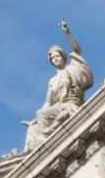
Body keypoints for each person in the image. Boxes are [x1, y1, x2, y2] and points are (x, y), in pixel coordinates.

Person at [23, 19, 93, 151]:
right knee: (33, 127)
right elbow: (47, 104)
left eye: (57, 56)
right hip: (57, 108)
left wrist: (67, 33)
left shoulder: (72, 69)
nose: (55, 59)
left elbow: (77, 50)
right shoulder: (52, 80)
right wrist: (33, 121)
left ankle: (45, 140)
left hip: (71, 106)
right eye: (53, 58)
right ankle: (40, 144)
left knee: (43, 115)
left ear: (63, 56)